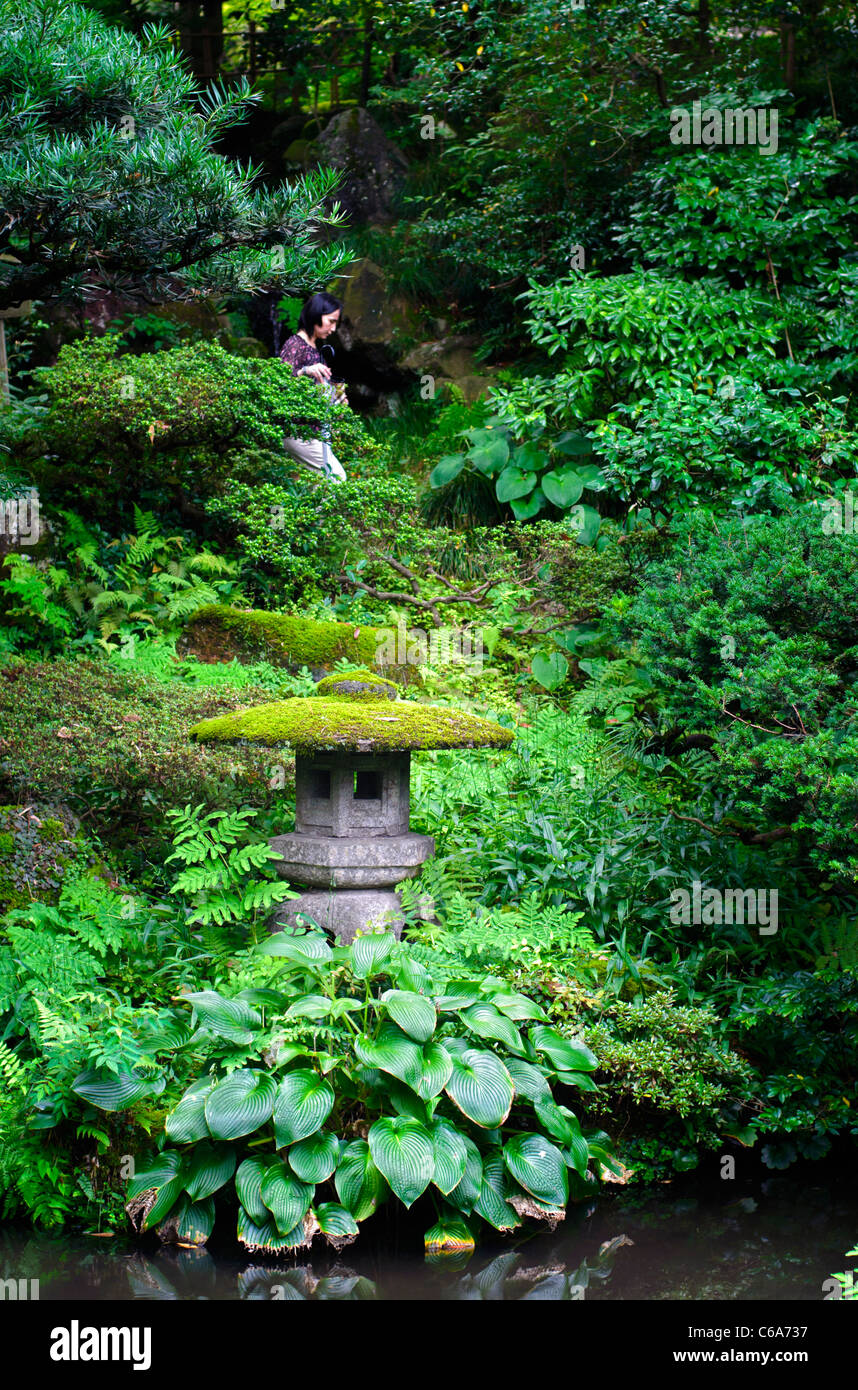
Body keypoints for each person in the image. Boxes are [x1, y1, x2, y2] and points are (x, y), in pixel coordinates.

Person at [279, 292, 347, 481]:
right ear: (316, 314)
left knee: (321, 486)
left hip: (314, 433)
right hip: (299, 433)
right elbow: (279, 384)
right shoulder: (295, 345)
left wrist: (337, 399)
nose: (333, 329)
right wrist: (305, 370)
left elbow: (317, 394)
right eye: (331, 321)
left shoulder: (316, 350)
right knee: (336, 479)